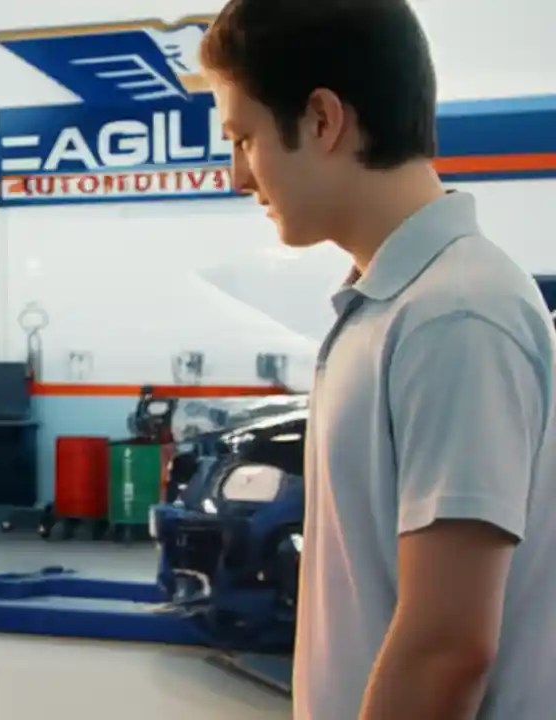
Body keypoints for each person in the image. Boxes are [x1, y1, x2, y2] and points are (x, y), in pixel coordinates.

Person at [199, 1, 556, 718]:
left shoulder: (453, 316)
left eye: (245, 139)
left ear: (324, 120)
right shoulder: (391, 305)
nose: (238, 176)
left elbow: (447, 646)